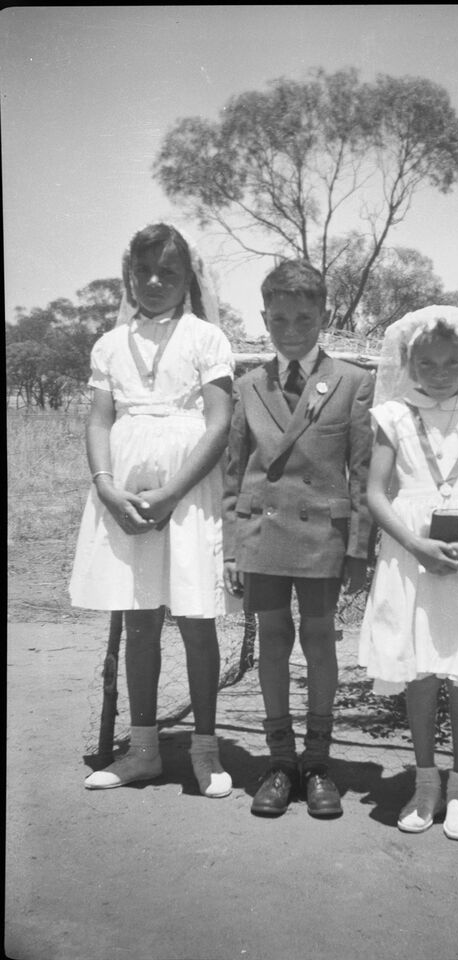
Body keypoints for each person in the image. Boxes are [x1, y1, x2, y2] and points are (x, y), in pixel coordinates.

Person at [70, 223, 236, 798]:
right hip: (123, 497)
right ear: (129, 277)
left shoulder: (207, 338)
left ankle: (207, 752)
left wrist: (172, 493)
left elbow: (219, 423)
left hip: (187, 494)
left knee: (195, 621)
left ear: (188, 276)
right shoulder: (110, 344)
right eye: (144, 272)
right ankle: (141, 752)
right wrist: (106, 486)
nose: (156, 281)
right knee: (139, 620)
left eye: (169, 271)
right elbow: (98, 420)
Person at [358, 305, 458, 840]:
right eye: (428, 361)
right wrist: (413, 543)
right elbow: (376, 493)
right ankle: (426, 782)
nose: (440, 370)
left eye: (452, 361)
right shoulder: (394, 417)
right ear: (409, 363)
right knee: (420, 668)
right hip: (411, 555)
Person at [223, 259, 373, 818]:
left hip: (323, 540)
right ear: (264, 317)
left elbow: (361, 474)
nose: (291, 329)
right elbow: (234, 474)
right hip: (263, 534)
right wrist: (233, 546)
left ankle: (317, 763)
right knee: (272, 641)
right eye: (279, 318)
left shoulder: (353, 382)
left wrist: (359, 547)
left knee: (319, 643)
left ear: (324, 316)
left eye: (303, 318)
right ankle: (280, 762)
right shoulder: (247, 386)